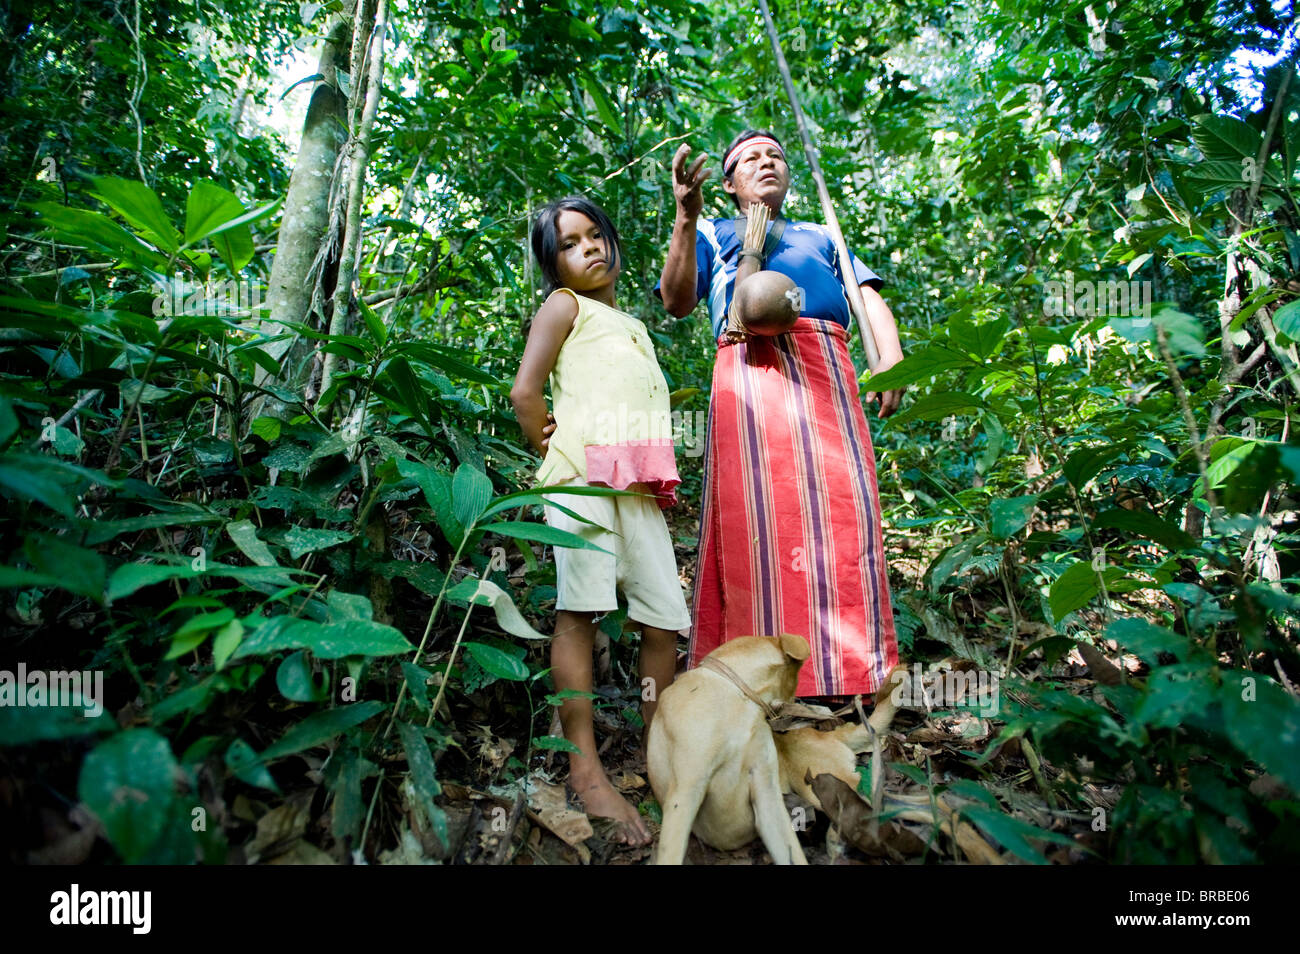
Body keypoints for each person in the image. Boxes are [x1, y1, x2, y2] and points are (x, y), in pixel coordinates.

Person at [657, 129, 905, 700]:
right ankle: (756, 679)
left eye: (775, 156)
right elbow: (675, 301)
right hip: (750, 373)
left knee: (844, 514)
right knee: (756, 520)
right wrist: (684, 216)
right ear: (728, 183)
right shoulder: (714, 232)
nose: (766, 163)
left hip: (826, 367)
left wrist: (889, 359)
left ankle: (847, 675)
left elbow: (866, 297)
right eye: (750, 158)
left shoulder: (823, 235)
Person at [511, 195, 690, 846]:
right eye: (569, 242)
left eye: (595, 235)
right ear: (552, 265)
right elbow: (526, 393)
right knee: (580, 610)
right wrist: (552, 449)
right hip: (585, 478)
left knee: (663, 617)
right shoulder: (566, 307)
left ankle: (659, 747)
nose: (588, 247)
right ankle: (584, 765)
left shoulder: (633, 324)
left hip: (637, 482)